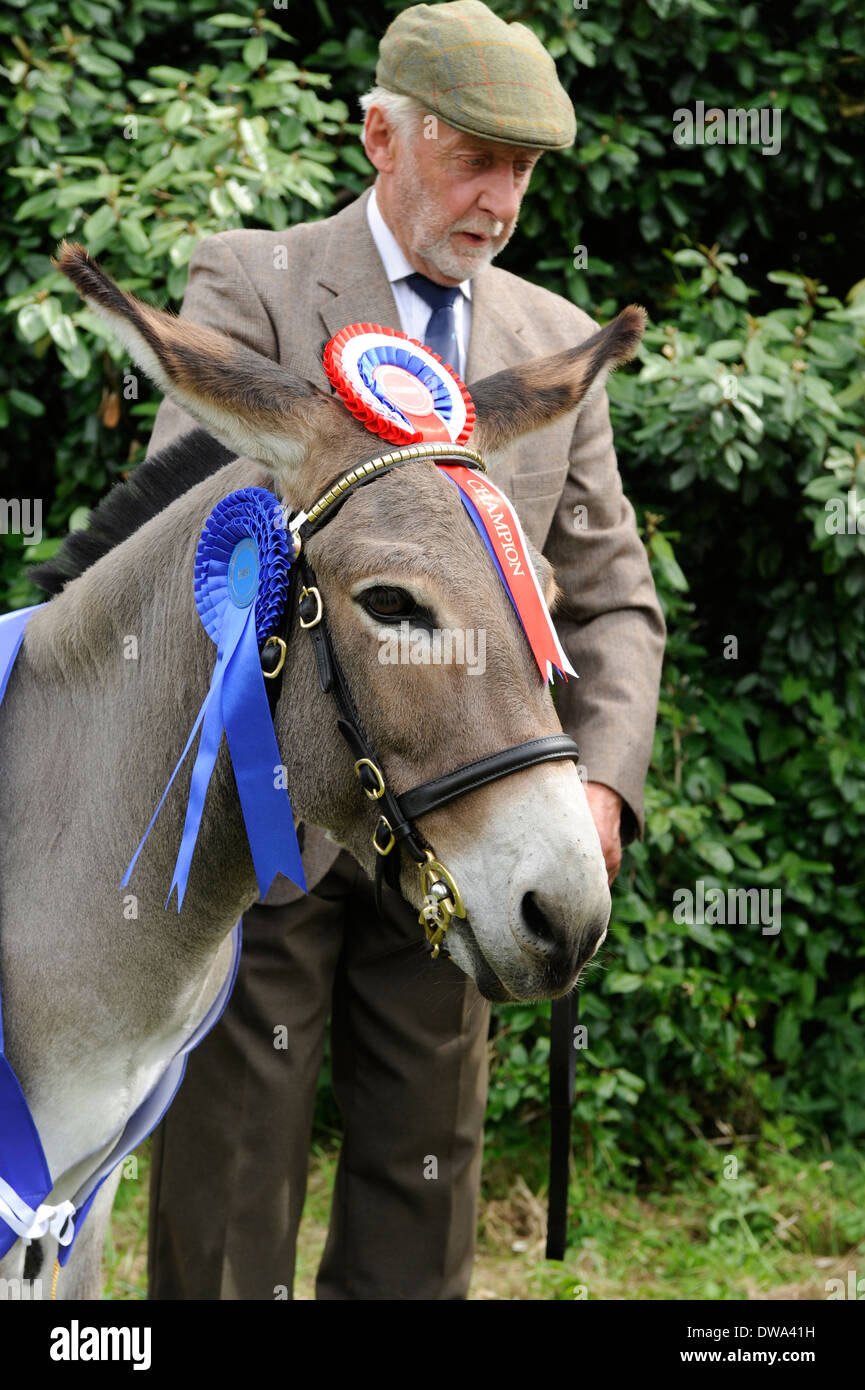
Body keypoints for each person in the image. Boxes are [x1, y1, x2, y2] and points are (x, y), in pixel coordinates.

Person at [144, 0, 665, 1300]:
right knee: (229, 1168)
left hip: (464, 815)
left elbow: (609, 600)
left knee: (424, 1168)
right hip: (276, 812)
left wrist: (598, 777)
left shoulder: (548, 341)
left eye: (523, 167)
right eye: (471, 155)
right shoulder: (252, 282)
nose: (498, 196)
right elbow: (176, 538)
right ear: (381, 133)